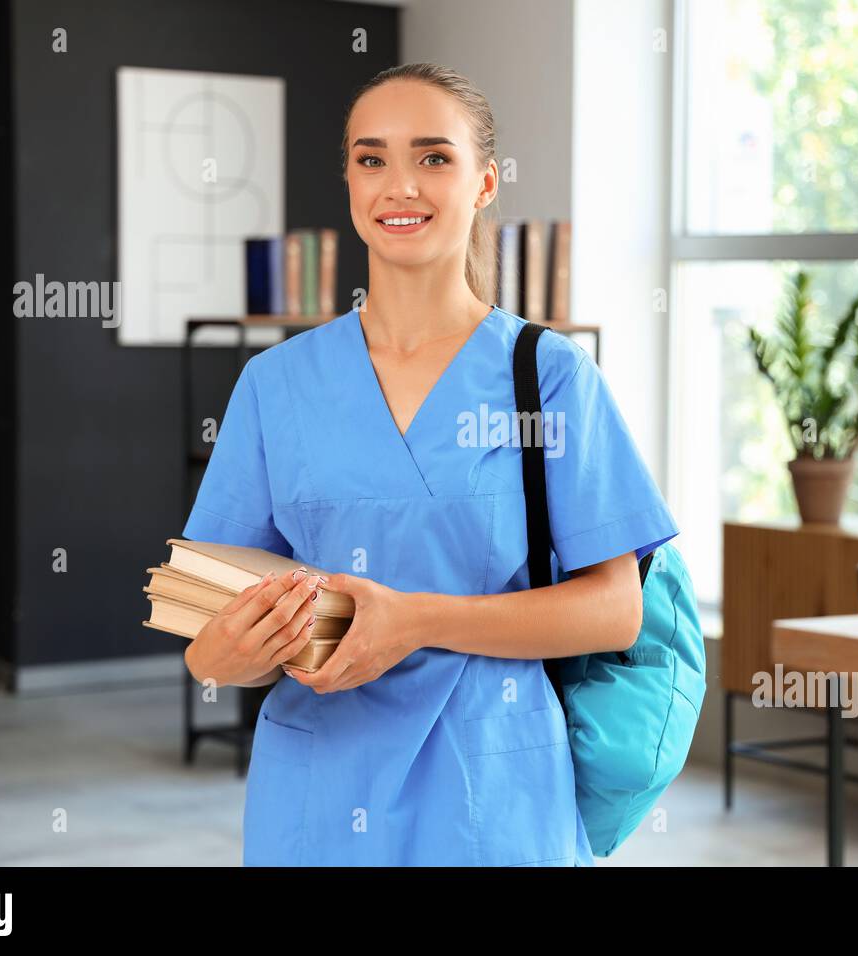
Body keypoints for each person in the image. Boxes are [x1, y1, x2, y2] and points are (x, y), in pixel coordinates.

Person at [181, 62, 678, 866]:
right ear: (347, 179)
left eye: (434, 158)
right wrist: (223, 656)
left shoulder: (546, 376)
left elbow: (614, 610)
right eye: (372, 158)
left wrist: (411, 621)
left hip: (494, 790)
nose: (399, 185)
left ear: (484, 183)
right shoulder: (276, 384)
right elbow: (205, 628)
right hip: (315, 790)